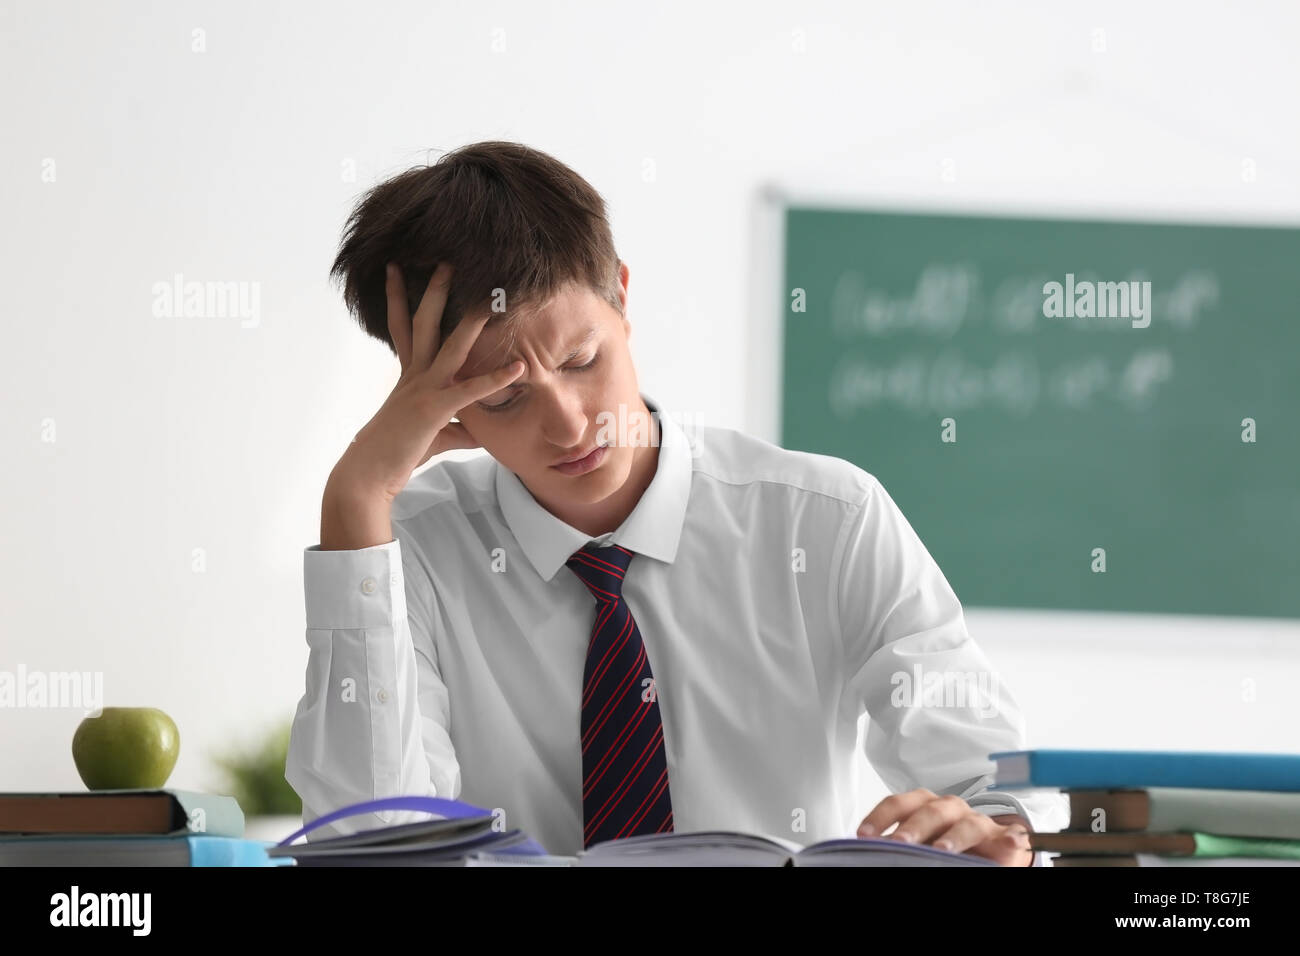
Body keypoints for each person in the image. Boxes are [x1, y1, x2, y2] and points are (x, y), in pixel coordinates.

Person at [285, 141, 1068, 864]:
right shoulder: (412, 552)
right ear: (430, 401)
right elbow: (376, 844)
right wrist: (356, 498)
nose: (567, 423)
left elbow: (995, 783)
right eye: (504, 399)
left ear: (621, 297)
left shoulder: (825, 520)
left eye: (583, 359)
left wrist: (1001, 832)